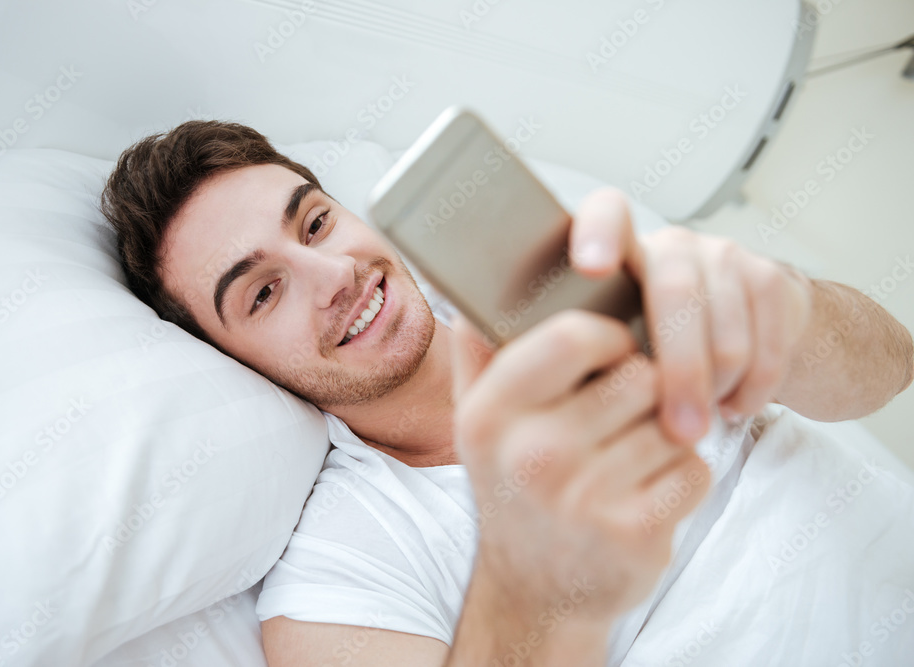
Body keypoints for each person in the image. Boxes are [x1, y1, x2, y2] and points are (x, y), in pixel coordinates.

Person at [101, 121, 913, 666]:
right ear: (235, 363)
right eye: (263, 294)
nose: (333, 275)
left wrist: (785, 315)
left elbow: (892, 365)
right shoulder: (346, 563)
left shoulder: (592, 291)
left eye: (314, 224)